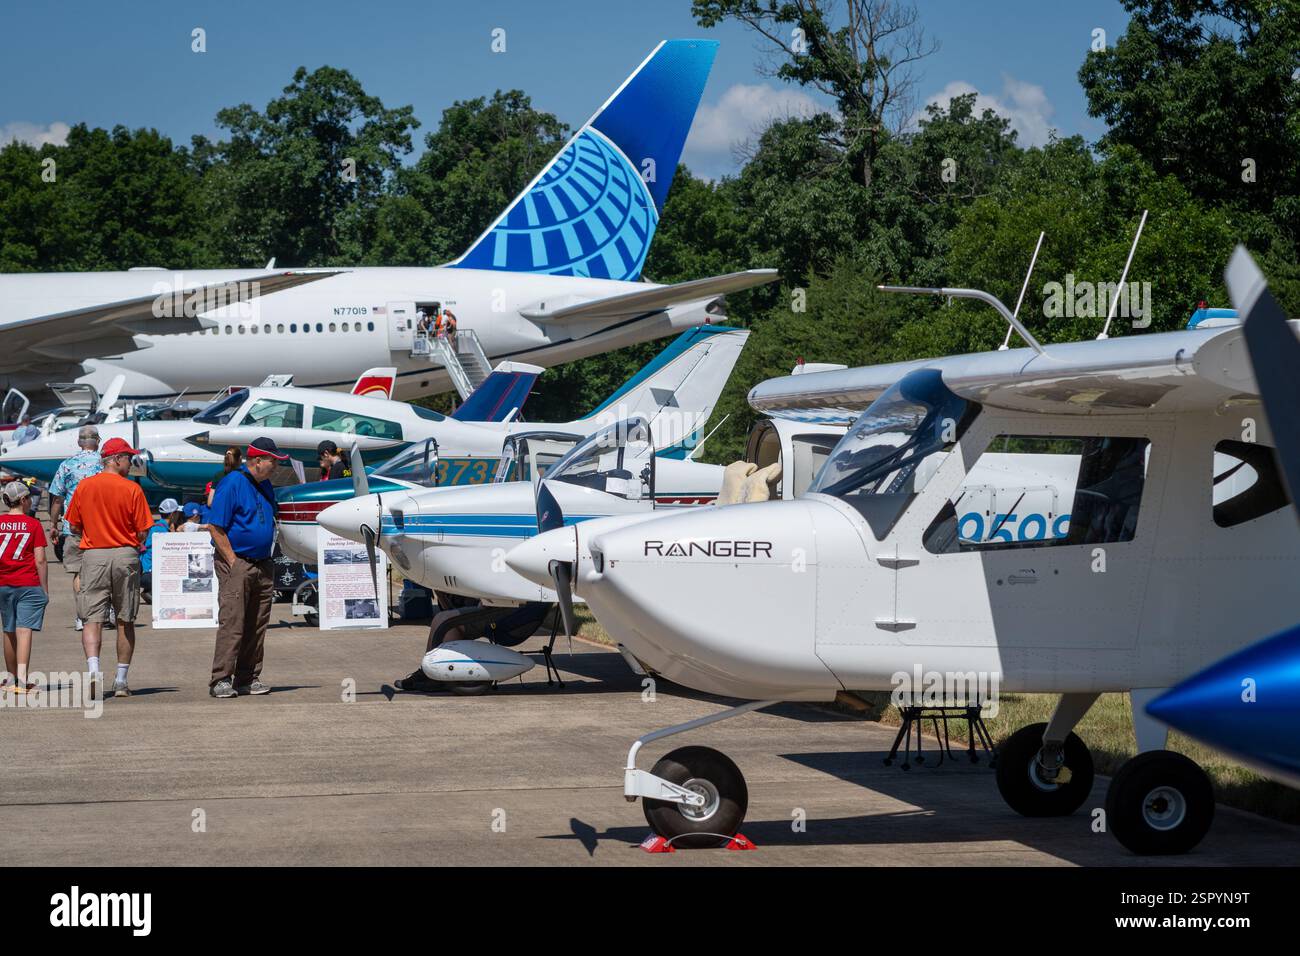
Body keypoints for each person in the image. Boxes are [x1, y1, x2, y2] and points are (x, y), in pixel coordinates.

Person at [65, 437, 153, 699]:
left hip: (94, 555)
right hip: (125, 555)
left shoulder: (84, 487)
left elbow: (73, 526)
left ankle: (93, 670)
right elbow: (143, 530)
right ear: (115, 459)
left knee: (92, 618)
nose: (131, 461)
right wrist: (131, 542)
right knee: (125, 617)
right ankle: (122, 680)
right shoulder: (132, 490)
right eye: (127, 457)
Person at [206, 436, 287, 698]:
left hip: (262, 563)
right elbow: (215, 527)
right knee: (233, 622)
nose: (276, 466)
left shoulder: (265, 486)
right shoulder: (232, 483)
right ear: (257, 461)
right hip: (238, 562)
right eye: (273, 461)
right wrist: (232, 561)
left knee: (257, 624)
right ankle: (221, 679)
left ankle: (248, 677)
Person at [47, 425, 102, 631]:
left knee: (78, 572)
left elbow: (57, 499)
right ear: (98, 441)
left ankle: (82, 616)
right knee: (102, 570)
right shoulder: (104, 464)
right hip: (102, 526)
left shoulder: (67, 465)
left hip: (74, 528)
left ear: (79, 443)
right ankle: (107, 611)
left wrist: (53, 525)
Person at [0, 481, 48, 695]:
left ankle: (10, 678)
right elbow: (40, 560)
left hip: (3, 582)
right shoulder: (33, 524)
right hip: (27, 582)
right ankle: (21, 680)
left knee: (8, 630)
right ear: (22, 500)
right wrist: (44, 588)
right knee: (24, 630)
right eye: (29, 497)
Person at [140, 498, 180, 600]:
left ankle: (149, 591)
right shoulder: (163, 532)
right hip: (149, 575)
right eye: (177, 513)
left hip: (143, 573)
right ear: (172, 514)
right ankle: (151, 590)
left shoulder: (155, 526)